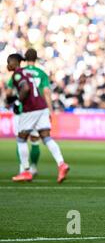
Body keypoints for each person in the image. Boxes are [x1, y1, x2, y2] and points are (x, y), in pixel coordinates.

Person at [6, 53, 70, 183]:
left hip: (30, 109)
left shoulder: (18, 74)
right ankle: (61, 164)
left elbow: (25, 88)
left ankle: (25, 171)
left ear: (14, 63)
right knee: (46, 137)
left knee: (21, 139)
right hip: (42, 107)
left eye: (9, 62)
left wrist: (18, 102)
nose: (8, 65)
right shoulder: (30, 73)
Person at [6, 48, 53, 176]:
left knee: (21, 139)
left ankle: (23, 168)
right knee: (35, 140)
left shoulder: (20, 72)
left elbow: (10, 90)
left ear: (25, 59)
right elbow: (46, 92)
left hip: (22, 110)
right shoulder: (41, 73)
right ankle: (33, 167)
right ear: (36, 58)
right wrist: (50, 110)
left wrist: (11, 101)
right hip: (38, 109)